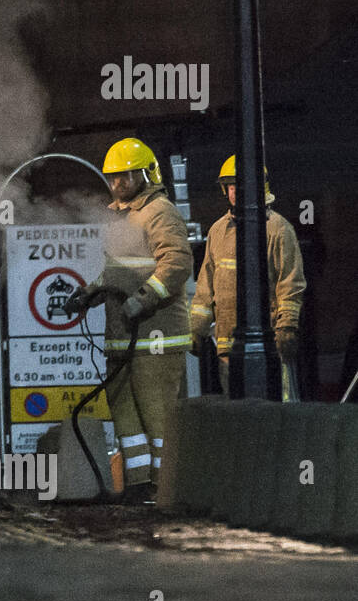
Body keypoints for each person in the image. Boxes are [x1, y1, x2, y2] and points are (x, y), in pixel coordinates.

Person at [66, 138, 193, 503]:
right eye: (113, 178)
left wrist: (144, 298)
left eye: (126, 176)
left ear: (147, 173)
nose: (119, 184)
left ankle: (166, 487)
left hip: (157, 336)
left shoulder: (160, 212)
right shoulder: (117, 217)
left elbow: (177, 263)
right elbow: (115, 274)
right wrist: (90, 293)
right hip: (120, 337)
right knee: (126, 418)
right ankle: (138, 487)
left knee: (158, 419)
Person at [189, 156, 306, 398]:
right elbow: (205, 287)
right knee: (237, 417)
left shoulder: (277, 228)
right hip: (227, 345)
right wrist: (196, 329)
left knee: (274, 409)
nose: (235, 191)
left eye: (239, 185)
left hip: (270, 345)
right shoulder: (217, 231)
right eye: (230, 186)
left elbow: (290, 282)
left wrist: (287, 326)